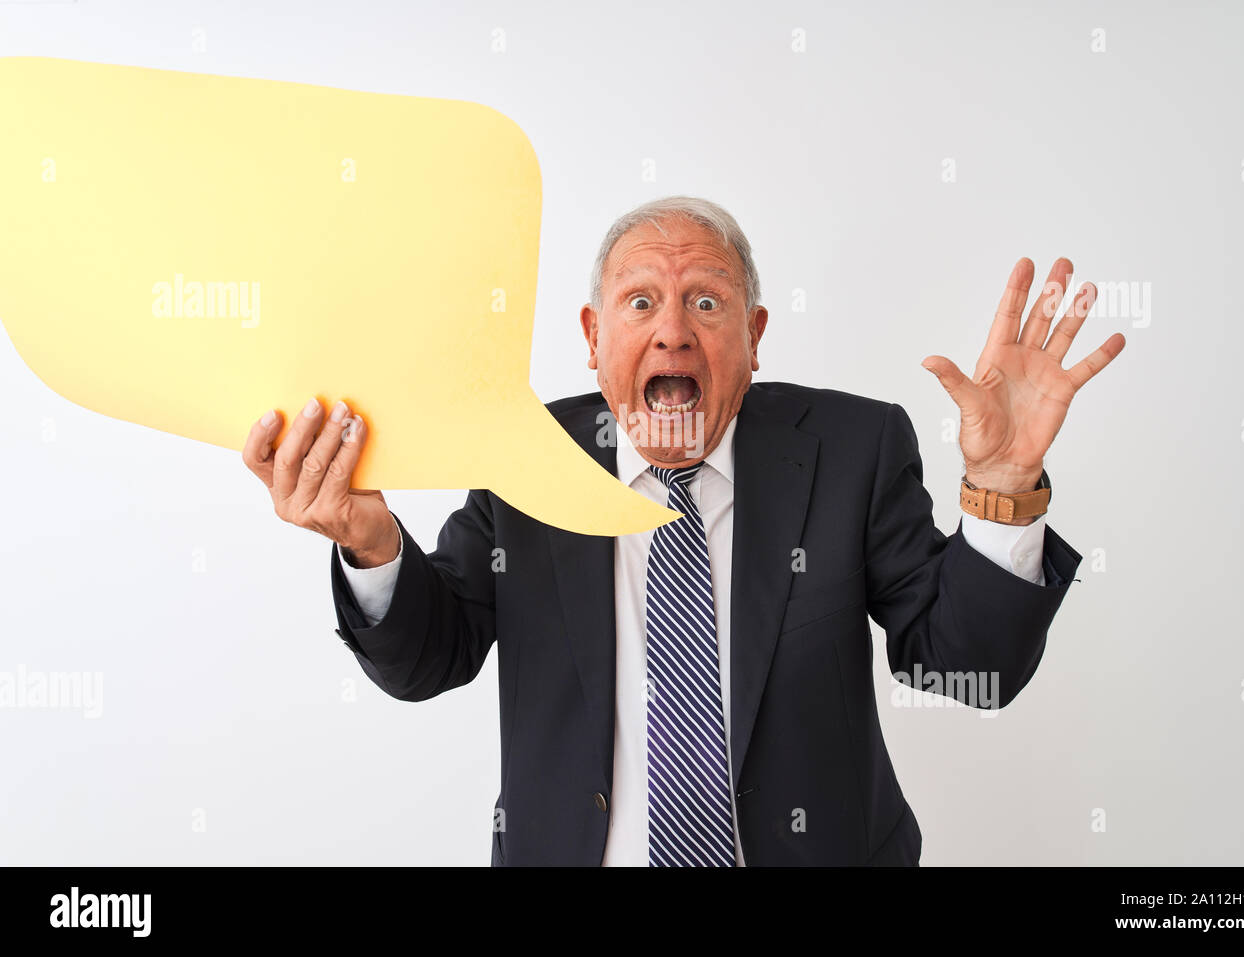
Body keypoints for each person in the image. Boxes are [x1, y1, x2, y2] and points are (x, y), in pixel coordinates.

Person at [241, 196, 1124, 866]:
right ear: (592, 337)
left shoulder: (853, 450)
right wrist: (372, 541)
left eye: (707, 302)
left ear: (755, 334)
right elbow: (433, 655)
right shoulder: (527, 458)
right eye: (639, 303)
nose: (671, 331)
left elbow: (963, 669)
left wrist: (1002, 490)